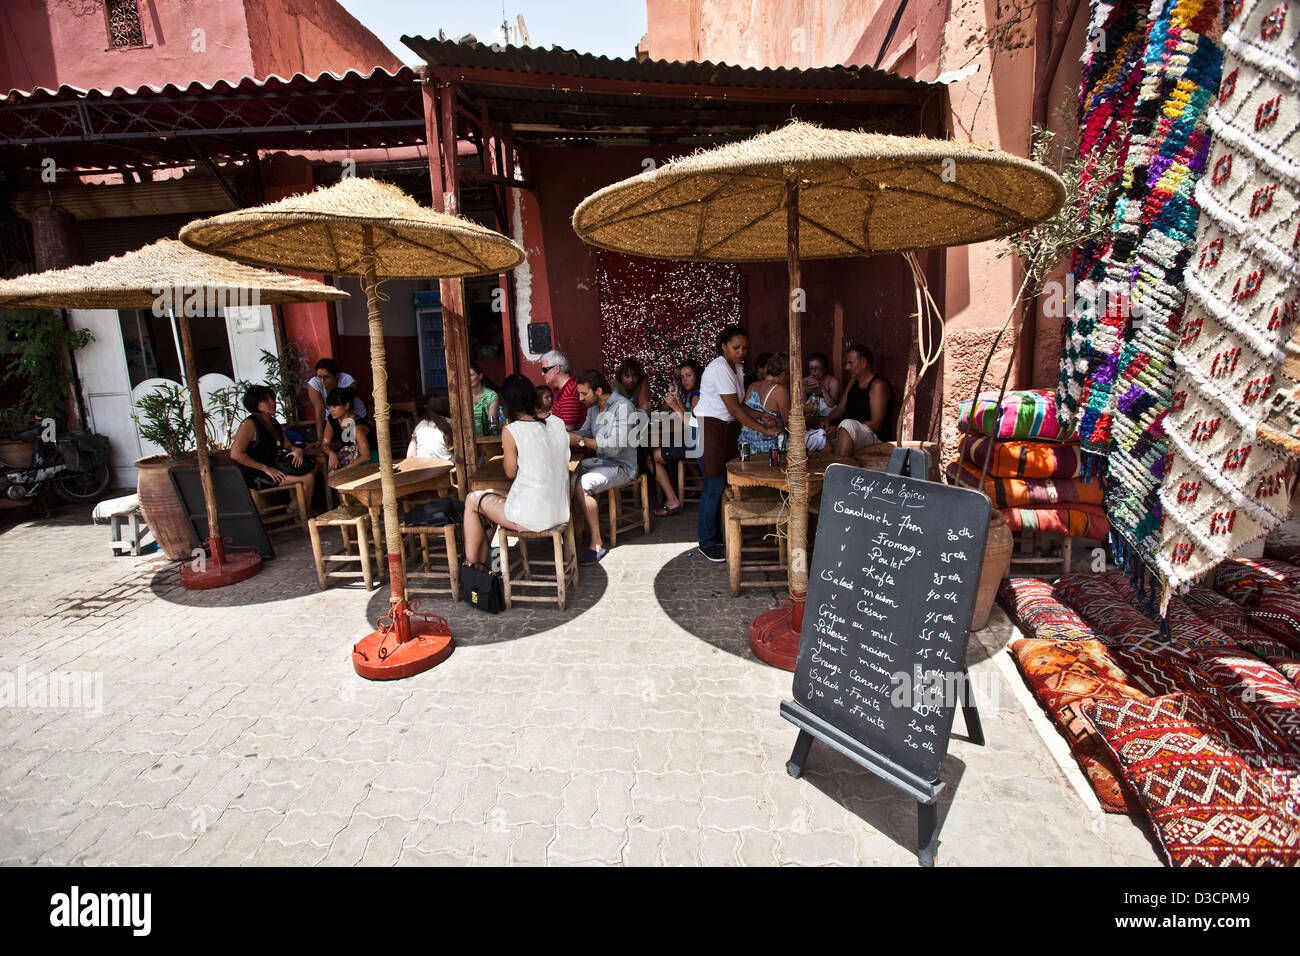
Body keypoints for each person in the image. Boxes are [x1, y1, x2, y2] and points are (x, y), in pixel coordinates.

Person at [461, 374, 572, 570]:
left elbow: (510, 472)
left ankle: (470, 566)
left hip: (533, 514)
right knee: (485, 502)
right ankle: (482, 566)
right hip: (559, 508)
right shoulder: (557, 422)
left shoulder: (512, 430)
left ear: (507, 403)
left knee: (472, 499)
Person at [695, 325, 781, 562]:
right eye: (736, 348)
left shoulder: (738, 367)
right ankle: (707, 541)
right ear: (723, 347)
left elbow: (739, 405)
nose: (741, 352)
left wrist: (759, 414)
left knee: (723, 482)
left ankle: (718, 534)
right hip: (709, 428)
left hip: (725, 427)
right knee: (713, 485)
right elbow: (733, 408)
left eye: (744, 348)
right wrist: (763, 428)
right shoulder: (719, 368)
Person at [568, 370, 638, 564]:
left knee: (582, 484)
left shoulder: (624, 407)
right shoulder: (594, 407)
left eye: (584, 394)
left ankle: (597, 543)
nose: (580, 398)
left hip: (622, 466)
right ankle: (572, 532)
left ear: (598, 390)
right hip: (602, 462)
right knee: (566, 474)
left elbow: (614, 448)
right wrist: (565, 433)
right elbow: (585, 432)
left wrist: (580, 441)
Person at [229, 384, 316, 507]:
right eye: (265, 400)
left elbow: (288, 445)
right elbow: (235, 454)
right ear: (255, 404)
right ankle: (301, 515)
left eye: (272, 399)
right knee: (308, 478)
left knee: (312, 467)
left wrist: (297, 451)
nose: (272, 403)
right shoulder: (249, 424)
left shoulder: (273, 422)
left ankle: (295, 509)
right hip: (257, 476)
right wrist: (265, 468)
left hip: (274, 469)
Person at [820, 344, 895, 456]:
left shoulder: (878, 385)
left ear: (863, 363)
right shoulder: (853, 381)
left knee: (847, 424)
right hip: (848, 432)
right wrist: (827, 419)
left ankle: (840, 468)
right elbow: (841, 408)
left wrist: (841, 428)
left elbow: (876, 424)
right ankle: (827, 467)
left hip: (873, 438)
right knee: (819, 436)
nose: (847, 367)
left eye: (850, 363)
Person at [649, 359, 702, 516]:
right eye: (682, 376)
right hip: (695, 443)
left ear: (697, 376)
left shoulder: (697, 397)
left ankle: (672, 500)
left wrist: (676, 407)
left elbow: (693, 427)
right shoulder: (695, 394)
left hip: (697, 445)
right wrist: (676, 398)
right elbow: (688, 416)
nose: (685, 379)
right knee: (672, 444)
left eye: (688, 376)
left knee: (652, 458)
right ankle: (700, 484)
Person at [307, 358, 367, 446]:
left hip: (355, 414)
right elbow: (320, 411)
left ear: (336, 375)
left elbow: (348, 405)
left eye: (326, 377)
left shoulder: (346, 379)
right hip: (334, 417)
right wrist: (319, 439)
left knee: (356, 444)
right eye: (319, 376)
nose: (322, 381)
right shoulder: (314, 383)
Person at [739, 352, 790, 453]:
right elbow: (789, 424)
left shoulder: (752, 386)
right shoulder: (779, 390)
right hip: (768, 447)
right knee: (820, 439)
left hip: (745, 446)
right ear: (783, 374)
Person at [322, 386, 376, 471]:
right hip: (350, 455)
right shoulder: (332, 419)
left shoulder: (357, 425)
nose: (331, 410)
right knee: (332, 469)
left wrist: (340, 471)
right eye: (330, 406)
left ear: (346, 406)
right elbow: (325, 444)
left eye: (335, 406)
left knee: (336, 473)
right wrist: (331, 453)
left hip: (367, 459)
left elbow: (366, 456)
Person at [539, 350, 586, 430]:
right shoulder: (565, 388)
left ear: (556, 369)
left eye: (545, 370)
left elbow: (567, 429)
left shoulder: (570, 392)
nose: (542, 374)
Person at [406, 394, 454, 461]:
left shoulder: (421, 425)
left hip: (422, 466)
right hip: (445, 466)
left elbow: (410, 455)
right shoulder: (451, 423)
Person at [804, 352, 841, 416]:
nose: (814, 371)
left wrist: (822, 388)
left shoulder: (832, 381)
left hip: (827, 416)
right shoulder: (806, 381)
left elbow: (832, 405)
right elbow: (801, 405)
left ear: (824, 368)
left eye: (817, 368)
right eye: (811, 368)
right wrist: (803, 386)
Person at [470, 362, 500, 436]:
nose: (468, 378)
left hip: (487, 436)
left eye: (471, 375)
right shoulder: (462, 397)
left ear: (480, 376)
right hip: (468, 438)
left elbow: (491, 422)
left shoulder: (491, 395)